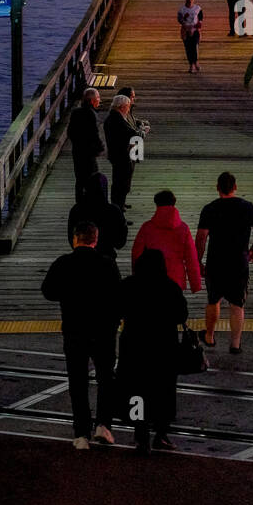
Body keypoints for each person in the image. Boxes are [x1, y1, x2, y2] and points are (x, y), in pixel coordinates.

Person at [41, 221, 121, 450]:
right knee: (106, 378)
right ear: (95, 240)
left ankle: (81, 434)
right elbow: (118, 297)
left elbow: (48, 291)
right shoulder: (107, 264)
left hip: (75, 330)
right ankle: (104, 425)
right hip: (103, 331)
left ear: (75, 239)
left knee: (78, 382)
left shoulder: (63, 263)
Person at [115, 248, 188, 453]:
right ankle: (161, 434)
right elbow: (181, 315)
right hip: (163, 349)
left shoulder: (129, 285)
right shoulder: (170, 288)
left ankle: (141, 434)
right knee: (162, 391)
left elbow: (116, 309)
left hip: (135, 348)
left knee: (137, 391)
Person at [195, 171, 253, 354]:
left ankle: (209, 336)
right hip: (239, 263)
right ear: (235, 187)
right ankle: (235, 344)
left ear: (217, 188)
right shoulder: (248, 207)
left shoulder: (209, 209)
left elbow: (201, 237)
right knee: (237, 304)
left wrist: (198, 260)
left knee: (213, 300)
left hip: (215, 262)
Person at [131, 189, 201, 294]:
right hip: (176, 280)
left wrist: (137, 279)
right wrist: (195, 284)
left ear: (157, 205)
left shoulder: (147, 228)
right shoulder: (183, 228)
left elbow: (136, 255)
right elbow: (191, 258)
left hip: (151, 279)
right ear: (173, 204)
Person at [67, 171, 128, 262]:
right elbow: (120, 243)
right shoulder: (113, 211)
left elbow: (71, 238)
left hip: (81, 260)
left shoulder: (76, 210)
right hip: (106, 259)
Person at [67, 86, 104, 203]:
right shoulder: (92, 114)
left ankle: (79, 204)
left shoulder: (75, 112)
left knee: (79, 180)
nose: (100, 100)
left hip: (77, 151)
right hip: (89, 154)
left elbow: (70, 132)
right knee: (92, 178)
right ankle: (91, 204)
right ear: (92, 101)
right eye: (98, 98)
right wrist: (100, 148)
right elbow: (94, 134)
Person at [104, 94, 139, 210]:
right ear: (122, 106)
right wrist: (141, 133)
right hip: (121, 155)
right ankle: (117, 209)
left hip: (118, 154)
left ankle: (120, 204)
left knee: (121, 182)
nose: (129, 108)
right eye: (128, 106)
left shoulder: (115, 117)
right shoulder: (117, 119)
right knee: (121, 183)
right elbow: (130, 133)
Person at [177, 0, 203, 73]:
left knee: (195, 47)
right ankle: (192, 64)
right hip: (185, 30)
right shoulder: (182, 10)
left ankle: (195, 62)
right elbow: (180, 20)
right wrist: (186, 27)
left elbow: (200, 20)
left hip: (195, 30)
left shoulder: (198, 9)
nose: (190, 0)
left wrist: (195, 28)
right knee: (188, 48)